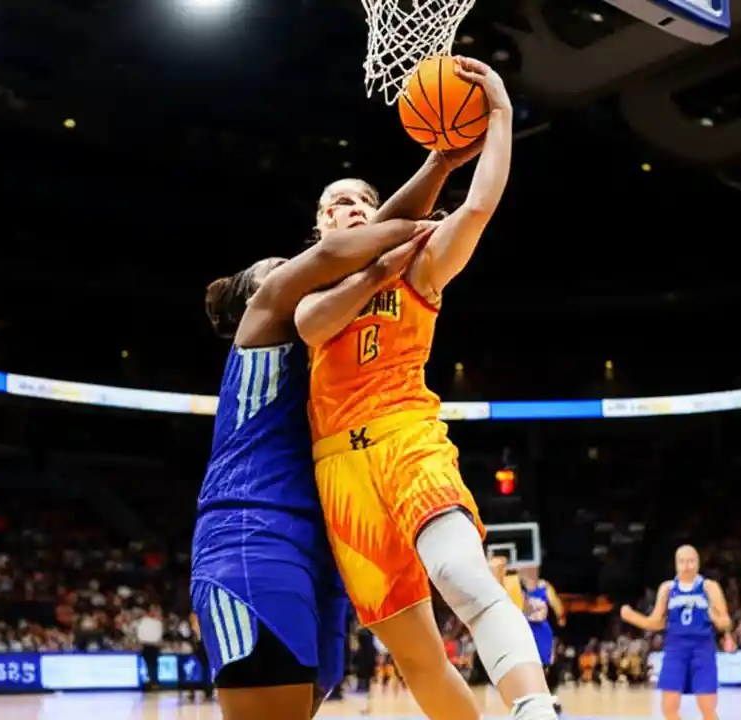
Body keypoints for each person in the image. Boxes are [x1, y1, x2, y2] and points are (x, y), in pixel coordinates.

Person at [295, 56, 557, 720]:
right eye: (337, 203)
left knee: (463, 576)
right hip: (339, 473)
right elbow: (315, 322)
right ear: (319, 229)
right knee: (416, 657)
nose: (351, 207)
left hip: (406, 436)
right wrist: (375, 259)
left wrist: (497, 113)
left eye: (362, 198)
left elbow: (479, 205)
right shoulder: (300, 284)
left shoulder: (420, 266)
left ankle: (535, 710)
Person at [192, 154, 477, 719]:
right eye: (286, 269)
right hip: (254, 534)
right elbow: (336, 255)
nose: (303, 274)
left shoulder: (330, 332)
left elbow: (351, 259)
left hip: (324, 549)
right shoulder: (265, 318)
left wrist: (442, 163)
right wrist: (428, 228)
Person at [619, 545, 734, 720]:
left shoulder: (709, 587)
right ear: (675, 564)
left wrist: (714, 617)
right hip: (675, 651)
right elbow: (656, 623)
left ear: (698, 563)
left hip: (702, 651)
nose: (687, 565)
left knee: (707, 707)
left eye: (691, 561)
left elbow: (726, 622)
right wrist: (631, 616)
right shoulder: (667, 588)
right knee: (669, 708)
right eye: (683, 561)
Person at [490, 558, 565, 711]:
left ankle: (544, 696)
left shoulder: (544, 587)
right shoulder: (515, 586)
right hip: (524, 629)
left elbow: (558, 607)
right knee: (526, 664)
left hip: (542, 630)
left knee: (544, 666)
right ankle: (527, 696)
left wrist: (559, 615)